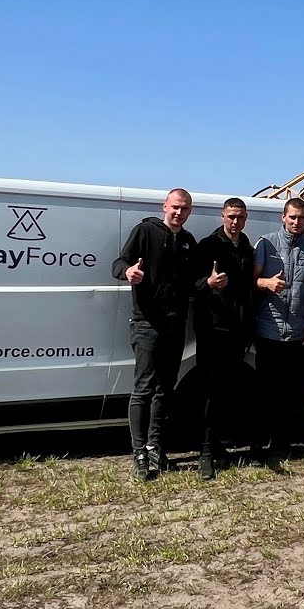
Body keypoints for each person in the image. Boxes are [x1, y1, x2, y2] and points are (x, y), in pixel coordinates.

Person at [111, 188, 198, 481]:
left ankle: (155, 448)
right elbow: (118, 264)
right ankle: (138, 455)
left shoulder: (187, 241)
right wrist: (128, 273)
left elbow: (194, 283)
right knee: (143, 388)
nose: (179, 212)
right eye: (175, 207)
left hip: (175, 326)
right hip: (147, 324)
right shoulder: (146, 231)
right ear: (165, 206)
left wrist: (209, 282)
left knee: (165, 389)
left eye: (184, 209)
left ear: (189, 212)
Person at [251, 197, 304, 462]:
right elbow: (251, 281)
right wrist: (265, 282)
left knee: (291, 391)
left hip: (298, 331)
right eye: (292, 217)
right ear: (283, 217)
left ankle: (281, 442)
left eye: (301, 218)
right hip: (269, 329)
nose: (296, 222)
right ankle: (257, 445)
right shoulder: (266, 243)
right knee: (264, 391)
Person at [193, 197, 256, 480]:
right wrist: (207, 283)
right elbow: (189, 285)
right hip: (212, 330)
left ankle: (218, 445)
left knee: (228, 390)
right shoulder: (208, 246)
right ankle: (205, 454)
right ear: (222, 216)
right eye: (231, 216)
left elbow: (248, 291)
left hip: (238, 332)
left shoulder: (247, 248)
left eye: (240, 217)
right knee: (209, 392)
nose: (235, 222)